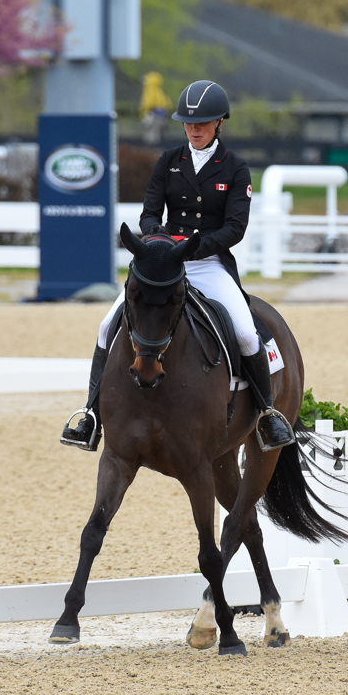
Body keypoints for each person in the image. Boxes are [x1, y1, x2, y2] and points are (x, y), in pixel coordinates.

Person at [61, 80, 295, 453]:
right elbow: (150, 213)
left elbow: (235, 227)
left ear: (220, 122)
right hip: (165, 263)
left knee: (249, 335)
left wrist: (196, 248)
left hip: (209, 264)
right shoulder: (169, 162)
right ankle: (89, 414)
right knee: (107, 324)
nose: (194, 129)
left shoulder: (235, 168)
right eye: (188, 122)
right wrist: (161, 244)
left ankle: (267, 414)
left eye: (202, 122)